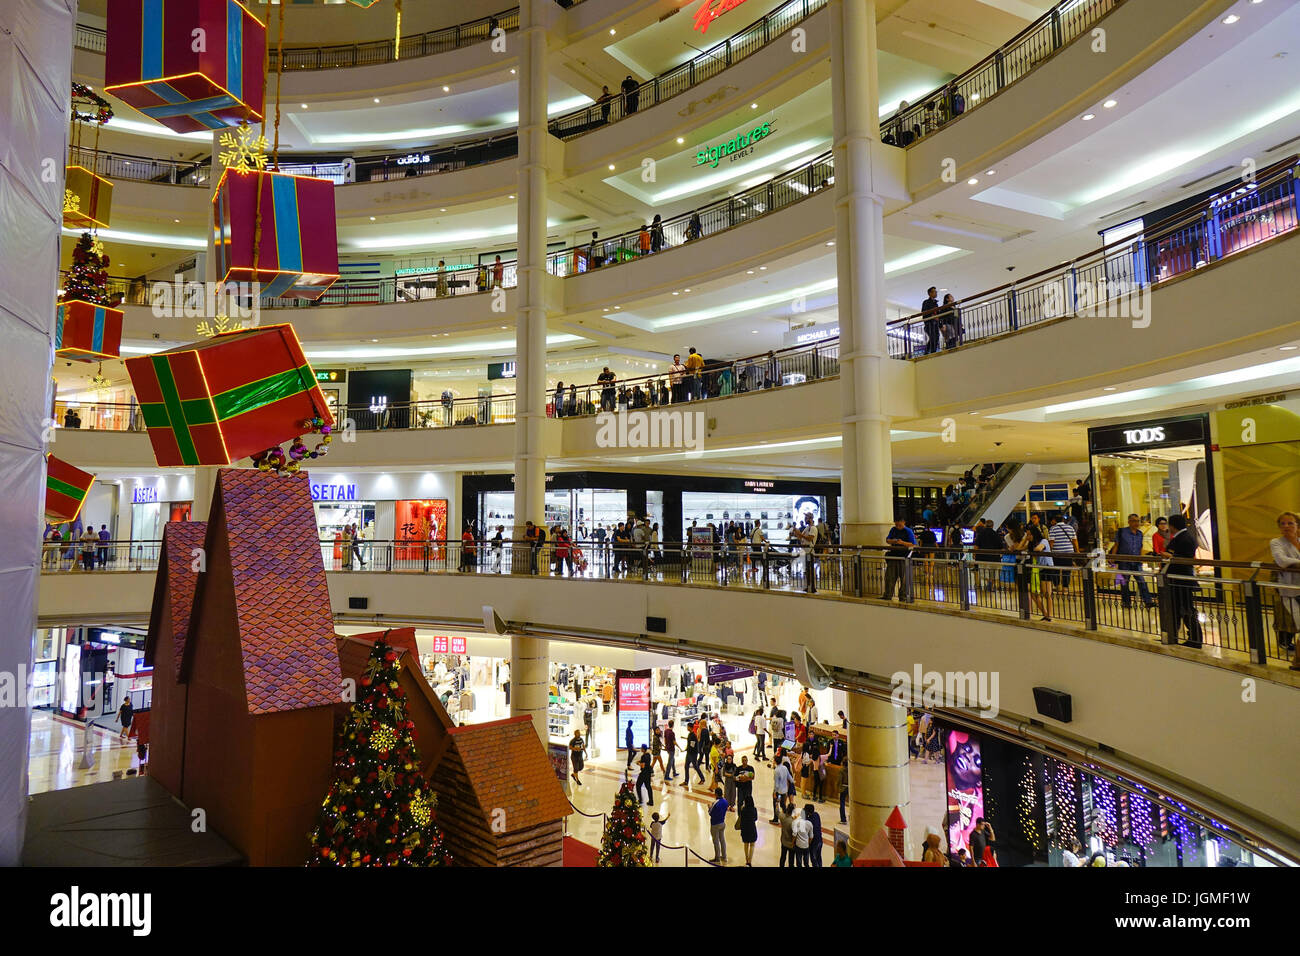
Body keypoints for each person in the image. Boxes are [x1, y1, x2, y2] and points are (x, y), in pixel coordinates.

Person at [1166, 514, 1203, 647]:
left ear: (1172, 526)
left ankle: (1195, 638)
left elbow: (1183, 558)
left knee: (1185, 608)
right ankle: (1172, 636)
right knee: (1177, 608)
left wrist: (1170, 555)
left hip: (1181, 580)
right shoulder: (1184, 537)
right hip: (1179, 579)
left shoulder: (1184, 538)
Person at [1270, 512, 1300, 669]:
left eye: (1290, 523)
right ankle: (1297, 661)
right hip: (1289, 590)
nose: (1286, 526)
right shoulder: (1276, 542)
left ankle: (1298, 660)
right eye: (1283, 523)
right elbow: (1282, 561)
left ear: (1297, 526)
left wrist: (1294, 563)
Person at [1110, 513, 1156, 609]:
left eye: (1138, 521)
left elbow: (1140, 547)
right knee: (1124, 583)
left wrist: (1141, 558)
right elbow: (1116, 545)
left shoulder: (1140, 534)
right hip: (1124, 561)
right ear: (1129, 522)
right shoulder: (1122, 532)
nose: (1136, 523)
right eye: (1134, 521)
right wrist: (1113, 558)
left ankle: (1148, 601)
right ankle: (1126, 602)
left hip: (1136, 562)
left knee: (1141, 581)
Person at [881, 517, 916, 601]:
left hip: (904, 558)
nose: (897, 525)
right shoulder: (893, 529)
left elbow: (913, 544)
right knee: (890, 577)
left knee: (904, 578)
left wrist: (902, 543)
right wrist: (894, 541)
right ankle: (888, 595)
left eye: (899, 524)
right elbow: (888, 540)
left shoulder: (908, 531)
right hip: (893, 556)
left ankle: (904, 597)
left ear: (903, 522)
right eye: (896, 524)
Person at [1028, 523, 1055, 622]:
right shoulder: (1033, 543)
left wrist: (1034, 549)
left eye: (1030, 534)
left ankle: (1049, 615)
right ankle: (1045, 613)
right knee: (1038, 593)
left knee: (1047, 592)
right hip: (1040, 568)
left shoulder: (1043, 541)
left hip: (1047, 567)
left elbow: (1039, 549)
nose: (1028, 537)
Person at [707, 788, 729, 864]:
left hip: (715, 824)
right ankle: (724, 856)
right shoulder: (725, 801)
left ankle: (717, 858)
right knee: (722, 840)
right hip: (722, 823)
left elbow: (710, 813)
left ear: (716, 794)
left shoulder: (716, 803)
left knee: (716, 841)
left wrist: (709, 807)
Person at [771, 756, 793, 823]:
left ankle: (776, 819)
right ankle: (787, 817)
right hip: (785, 790)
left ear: (775, 761)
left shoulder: (776, 770)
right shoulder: (785, 768)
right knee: (783, 804)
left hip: (779, 792)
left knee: (776, 804)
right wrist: (792, 781)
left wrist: (774, 792)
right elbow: (789, 777)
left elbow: (776, 784)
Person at [921, 286, 941, 355]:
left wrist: (940, 323)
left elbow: (938, 314)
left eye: (936, 292)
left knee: (936, 337)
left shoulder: (936, 303)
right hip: (929, 324)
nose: (936, 293)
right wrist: (932, 316)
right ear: (930, 293)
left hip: (935, 324)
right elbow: (924, 313)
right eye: (934, 292)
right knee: (933, 337)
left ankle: (932, 351)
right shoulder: (926, 302)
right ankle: (929, 352)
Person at [804, 802, 823, 867]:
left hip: (813, 842)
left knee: (814, 859)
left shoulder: (808, 821)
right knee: (818, 857)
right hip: (820, 840)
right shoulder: (817, 815)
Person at [778, 801, 796, 867]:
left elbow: (777, 812)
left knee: (783, 857)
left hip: (783, 841)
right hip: (791, 844)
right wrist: (793, 842)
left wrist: (777, 803)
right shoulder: (793, 822)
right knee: (791, 861)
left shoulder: (782, 817)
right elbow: (794, 834)